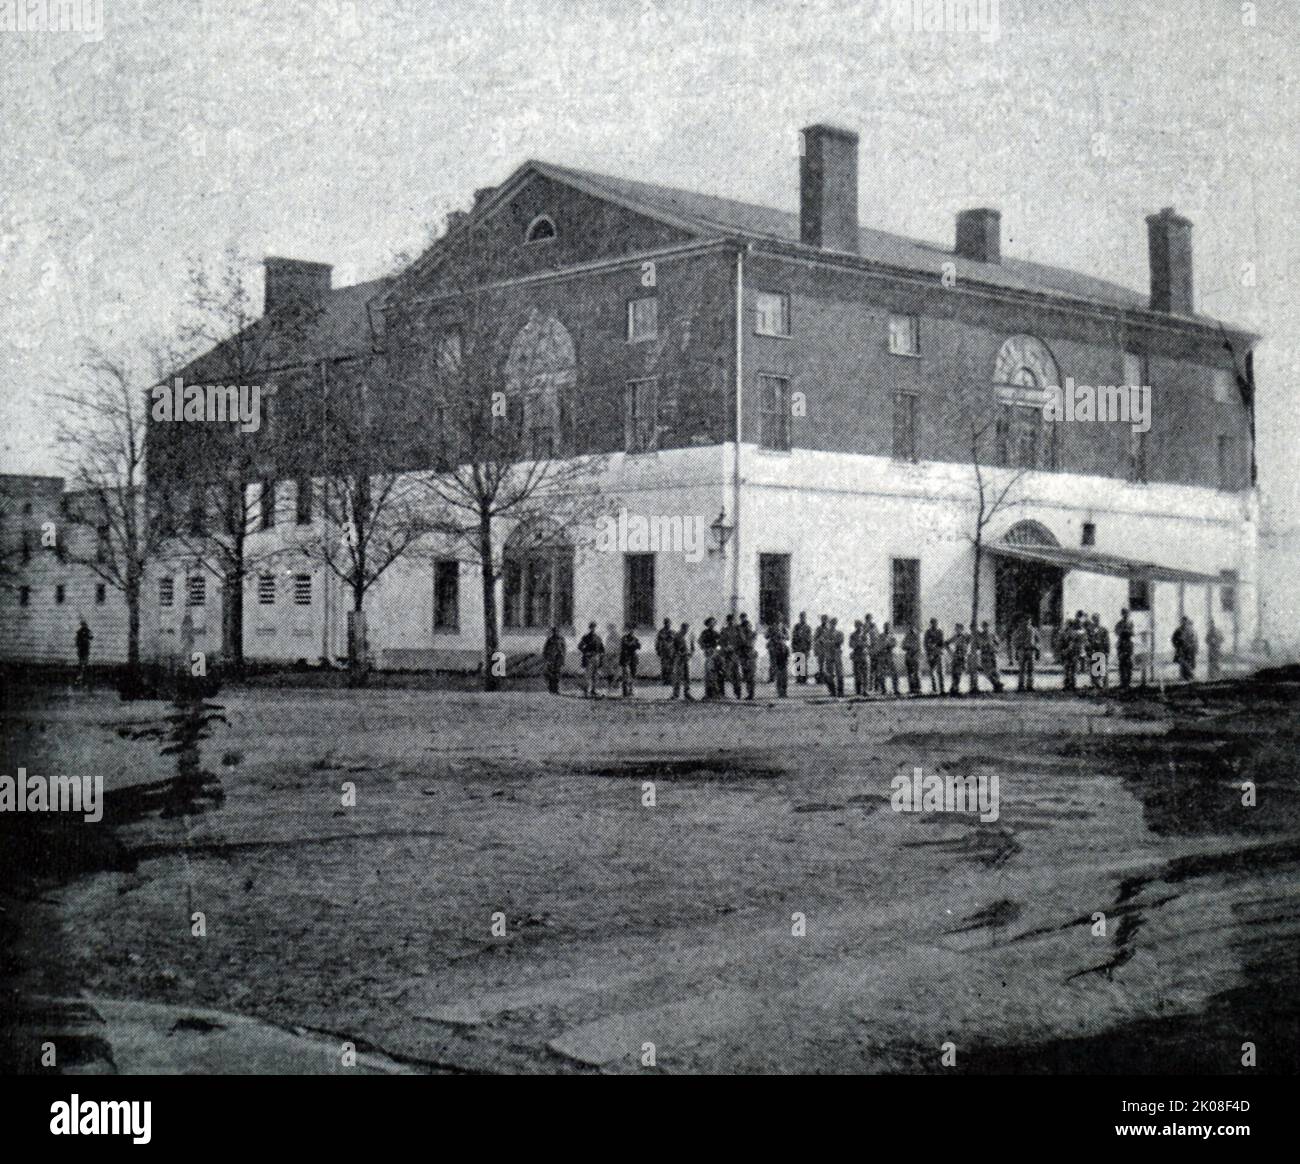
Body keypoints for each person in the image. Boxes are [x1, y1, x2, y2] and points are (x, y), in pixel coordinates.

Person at [1012, 615, 1039, 693]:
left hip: (1031, 650)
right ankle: (1021, 685)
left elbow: (1038, 640)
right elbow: (1014, 640)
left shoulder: (1034, 630)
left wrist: (1037, 649)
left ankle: (1030, 686)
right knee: (1021, 669)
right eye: (1026, 620)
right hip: (1022, 650)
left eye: (1029, 620)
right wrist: (1017, 649)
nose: (1027, 622)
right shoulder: (1018, 630)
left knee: (1031, 669)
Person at [578, 622, 605, 698]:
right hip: (588, 658)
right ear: (589, 628)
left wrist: (600, 655)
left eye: (594, 627)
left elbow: (602, 649)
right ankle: (586, 691)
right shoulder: (586, 637)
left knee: (595, 675)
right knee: (587, 675)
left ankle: (593, 690)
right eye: (591, 627)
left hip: (596, 658)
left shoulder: (598, 637)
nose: (593, 629)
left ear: (595, 628)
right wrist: (586, 652)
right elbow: (580, 646)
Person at [719, 613, 743, 699]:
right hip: (726, 655)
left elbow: (742, 641)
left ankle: (738, 693)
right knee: (723, 673)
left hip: (735, 654)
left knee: (736, 674)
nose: (731, 622)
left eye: (732, 620)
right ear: (727, 621)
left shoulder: (738, 630)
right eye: (729, 620)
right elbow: (721, 641)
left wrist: (736, 648)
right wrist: (725, 647)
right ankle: (721, 692)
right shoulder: (724, 630)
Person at [977, 621, 1004, 693]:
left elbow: (998, 643)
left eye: (987, 626)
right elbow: (977, 646)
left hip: (992, 654)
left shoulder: (992, 635)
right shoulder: (980, 635)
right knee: (986, 671)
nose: (986, 627)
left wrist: (996, 650)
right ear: (982, 627)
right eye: (984, 626)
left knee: (995, 670)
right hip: (984, 654)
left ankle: (997, 686)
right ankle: (996, 684)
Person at [670, 622, 695, 701]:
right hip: (679, 658)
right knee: (677, 676)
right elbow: (673, 647)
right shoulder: (677, 636)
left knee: (687, 676)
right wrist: (678, 654)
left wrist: (690, 655)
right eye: (684, 628)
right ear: (681, 628)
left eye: (687, 628)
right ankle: (675, 694)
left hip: (687, 658)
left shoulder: (690, 636)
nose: (685, 630)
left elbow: (692, 647)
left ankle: (687, 693)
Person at [699, 616, 721, 699]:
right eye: (710, 623)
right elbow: (700, 642)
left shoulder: (716, 633)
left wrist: (716, 650)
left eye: (713, 623)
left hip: (715, 654)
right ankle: (708, 694)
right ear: (707, 624)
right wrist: (706, 648)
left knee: (715, 674)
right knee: (708, 674)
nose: (712, 624)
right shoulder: (704, 633)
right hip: (708, 654)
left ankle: (716, 693)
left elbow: (720, 643)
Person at [737, 612, 759, 699]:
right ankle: (749, 693)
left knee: (750, 675)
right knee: (746, 675)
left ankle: (751, 694)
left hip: (749, 655)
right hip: (744, 655)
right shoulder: (741, 631)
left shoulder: (751, 634)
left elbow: (748, 643)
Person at [923, 618, 946, 695]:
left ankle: (942, 689)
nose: (934, 624)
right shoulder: (927, 632)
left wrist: (935, 646)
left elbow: (942, 643)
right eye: (932, 623)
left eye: (935, 623)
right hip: (931, 654)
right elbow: (925, 644)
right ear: (930, 623)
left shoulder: (940, 632)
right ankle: (934, 689)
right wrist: (929, 653)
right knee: (932, 672)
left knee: (941, 672)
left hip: (938, 654)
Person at [823, 617, 845, 697]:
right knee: (829, 673)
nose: (833, 625)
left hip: (837, 653)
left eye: (834, 623)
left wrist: (830, 642)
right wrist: (831, 643)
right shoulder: (826, 633)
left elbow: (840, 641)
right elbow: (823, 642)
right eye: (831, 623)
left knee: (839, 672)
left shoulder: (839, 633)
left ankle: (840, 691)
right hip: (829, 653)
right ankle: (832, 690)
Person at [947, 623, 971, 696]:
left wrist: (967, 652)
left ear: (962, 629)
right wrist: (951, 652)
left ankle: (955, 688)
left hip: (963, 656)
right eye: (956, 629)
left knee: (959, 673)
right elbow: (946, 643)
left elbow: (971, 641)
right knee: (954, 672)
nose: (957, 630)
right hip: (956, 655)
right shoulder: (955, 637)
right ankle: (954, 688)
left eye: (959, 629)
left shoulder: (966, 636)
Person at [768, 620, 790, 698]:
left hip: (784, 665)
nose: (781, 640)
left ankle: (784, 692)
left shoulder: (786, 647)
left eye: (782, 639)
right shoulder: (775, 648)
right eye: (779, 639)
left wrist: (786, 663)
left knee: (785, 679)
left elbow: (787, 655)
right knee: (779, 679)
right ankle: (780, 692)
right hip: (778, 664)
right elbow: (774, 657)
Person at [1114, 608, 1136, 689]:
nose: (1126, 615)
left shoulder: (1131, 623)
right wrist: (1125, 631)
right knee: (1122, 664)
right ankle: (1123, 682)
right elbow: (1117, 632)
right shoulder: (1119, 623)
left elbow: (1133, 633)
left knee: (1129, 664)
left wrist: (1127, 631)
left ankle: (1128, 682)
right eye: (1124, 613)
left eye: (1127, 613)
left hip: (1128, 645)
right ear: (1122, 614)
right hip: (1121, 645)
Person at [1172, 616, 1198, 681]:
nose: (1184, 623)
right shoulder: (1178, 630)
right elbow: (1173, 639)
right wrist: (1177, 646)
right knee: (1183, 665)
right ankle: (1185, 678)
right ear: (1181, 622)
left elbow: (1194, 640)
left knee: (1189, 664)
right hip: (1181, 650)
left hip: (1189, 651)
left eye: (1185, 621)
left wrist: (1193, 648)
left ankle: (1189, 678)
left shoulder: (1189, 630)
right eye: (1183, 621)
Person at [542, 626, 566, 694]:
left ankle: (556, 689)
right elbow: (545, 649)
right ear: (553, 632)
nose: (556, 632)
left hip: (558, 659)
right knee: (551, 674)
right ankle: (551, 688)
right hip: (551, 659)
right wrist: (546, 658)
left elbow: (564, 649)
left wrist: (563, 659)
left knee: (557, 674)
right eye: (555, 631)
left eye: (557, 631)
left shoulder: (561, 639)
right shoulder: (550, 639)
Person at [619, 625, 641, 697]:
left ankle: (631, 690)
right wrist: (633, 644)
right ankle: (625, 691)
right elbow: (626, 645)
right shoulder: (624, 638)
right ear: (628, 630)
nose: (632, 631)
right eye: (630, 629)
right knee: (625, 674)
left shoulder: (635, 638)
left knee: (633, 675)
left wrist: (633, 644)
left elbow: (639, 646)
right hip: (625, 658)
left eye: (633, 630)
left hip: (633, 658)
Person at [1089, 613, 1110, 689]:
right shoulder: (1090, 630)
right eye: (1094, 619)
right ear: (1093, 620)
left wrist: (1107, 652)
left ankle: (1104, 685)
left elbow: (1107, 641)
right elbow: (1087, 640)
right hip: (1094, 651)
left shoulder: (1103, 630)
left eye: (1097, 619)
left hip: (1102, 651)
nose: (1096, 621)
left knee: (1102, 668)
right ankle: (1095, 684)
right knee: (1094, 668)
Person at [879, 622, 900, 696]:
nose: (887, 628)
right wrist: (885, 646)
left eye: (888, 627)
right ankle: (883, 690)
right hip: (883, 656)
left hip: (891, 655)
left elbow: (894, 644)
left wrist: (888, 645)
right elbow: (879, 645)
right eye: (886, 627)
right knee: (882, 673)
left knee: (895, 673)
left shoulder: (892, 636)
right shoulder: (881, 636)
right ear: (884, 628)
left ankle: (896, 689)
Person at [791, 612, 813, 685]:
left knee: (804, 663)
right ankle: (798, 679)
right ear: (799, 617)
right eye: (801, 617)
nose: (802, 618)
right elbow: (793, 637)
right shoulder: (796, 626)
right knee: (797, 663)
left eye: (803, 617)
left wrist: (809, 648)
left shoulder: (807, 627)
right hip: (797, 647)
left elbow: (810, 638)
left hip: (805, 647)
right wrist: (793, 647)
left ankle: (804, 679)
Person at [849, 620, 868, 696]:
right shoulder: (852, 635)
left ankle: (865, 690)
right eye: (857, 625)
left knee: (865, 674)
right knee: (857, 674)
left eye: (860, 625)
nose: (858, 627)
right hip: (856, 655)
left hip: (863, 655)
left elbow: (867, 643)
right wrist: (859, 644)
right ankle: (858, 690)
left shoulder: (865, 635)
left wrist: (859, 643)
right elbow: (851, 644)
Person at [901, 624, 922, 695]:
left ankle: (918, 688)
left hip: (915, 657)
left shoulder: (917, 637)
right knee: (910, 673)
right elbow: (903, 645)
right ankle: (911, 688)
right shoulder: (907, 636)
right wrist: (909, 647)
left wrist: (910, 647)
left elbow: (918, 647)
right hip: (908, 657)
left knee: (916, 673)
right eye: (910, 628)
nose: (911, 629)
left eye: (913, 628)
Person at [654, 618, 675, 686]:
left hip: (671, 652)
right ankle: (665, 680)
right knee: (664, 667)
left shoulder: (672, 632)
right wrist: (658, 650)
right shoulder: (661, 632)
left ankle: (671, 680)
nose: (667, 624)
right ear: (664, 623)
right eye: (666, 623)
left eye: (669, 623)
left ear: (670, 624)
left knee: (671, 666)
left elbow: (676, 642)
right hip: (664, 652)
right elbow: (657, 642)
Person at [812, 615, 830, 688]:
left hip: (827, 649)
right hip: (820, 649)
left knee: (827, 665)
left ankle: (827, 679)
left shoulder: (829, 629)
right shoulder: (819, 628)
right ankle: (821, 679)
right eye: (823, 619)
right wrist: (820, 640)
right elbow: (815, 638)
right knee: (821, 665)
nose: (824, 621)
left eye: (825, 619)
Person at [75, 618, 93, 686]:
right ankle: (82, 674)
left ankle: (82, 674)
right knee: (83, 661)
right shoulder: (82, 631)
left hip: (83, 649)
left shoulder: (81, 631)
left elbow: (91, 637)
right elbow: (91, 637)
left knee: (83, 661)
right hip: (83, 648)